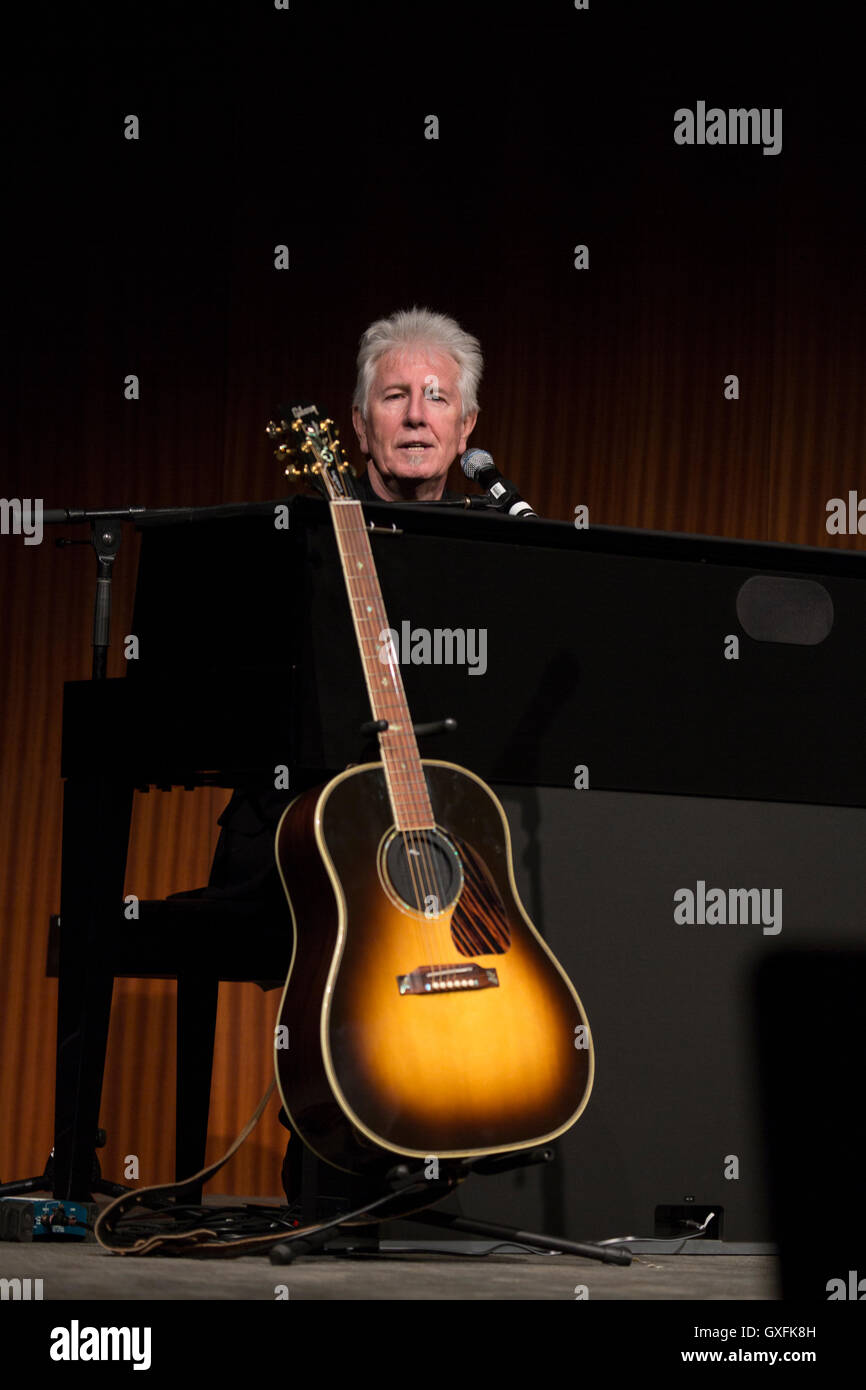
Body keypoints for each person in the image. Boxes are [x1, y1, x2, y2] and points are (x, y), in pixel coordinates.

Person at [207, 306, 484, 1208]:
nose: (415, 414)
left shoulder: (498, 553)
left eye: (435, 397)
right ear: (358, 426)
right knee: (348, 886)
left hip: (441, 837)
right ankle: (334, 1153)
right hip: (307, 828)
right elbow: (232, 698)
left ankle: (490, 1129)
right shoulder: (289, 544)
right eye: (395, 396)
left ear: (466, 427)